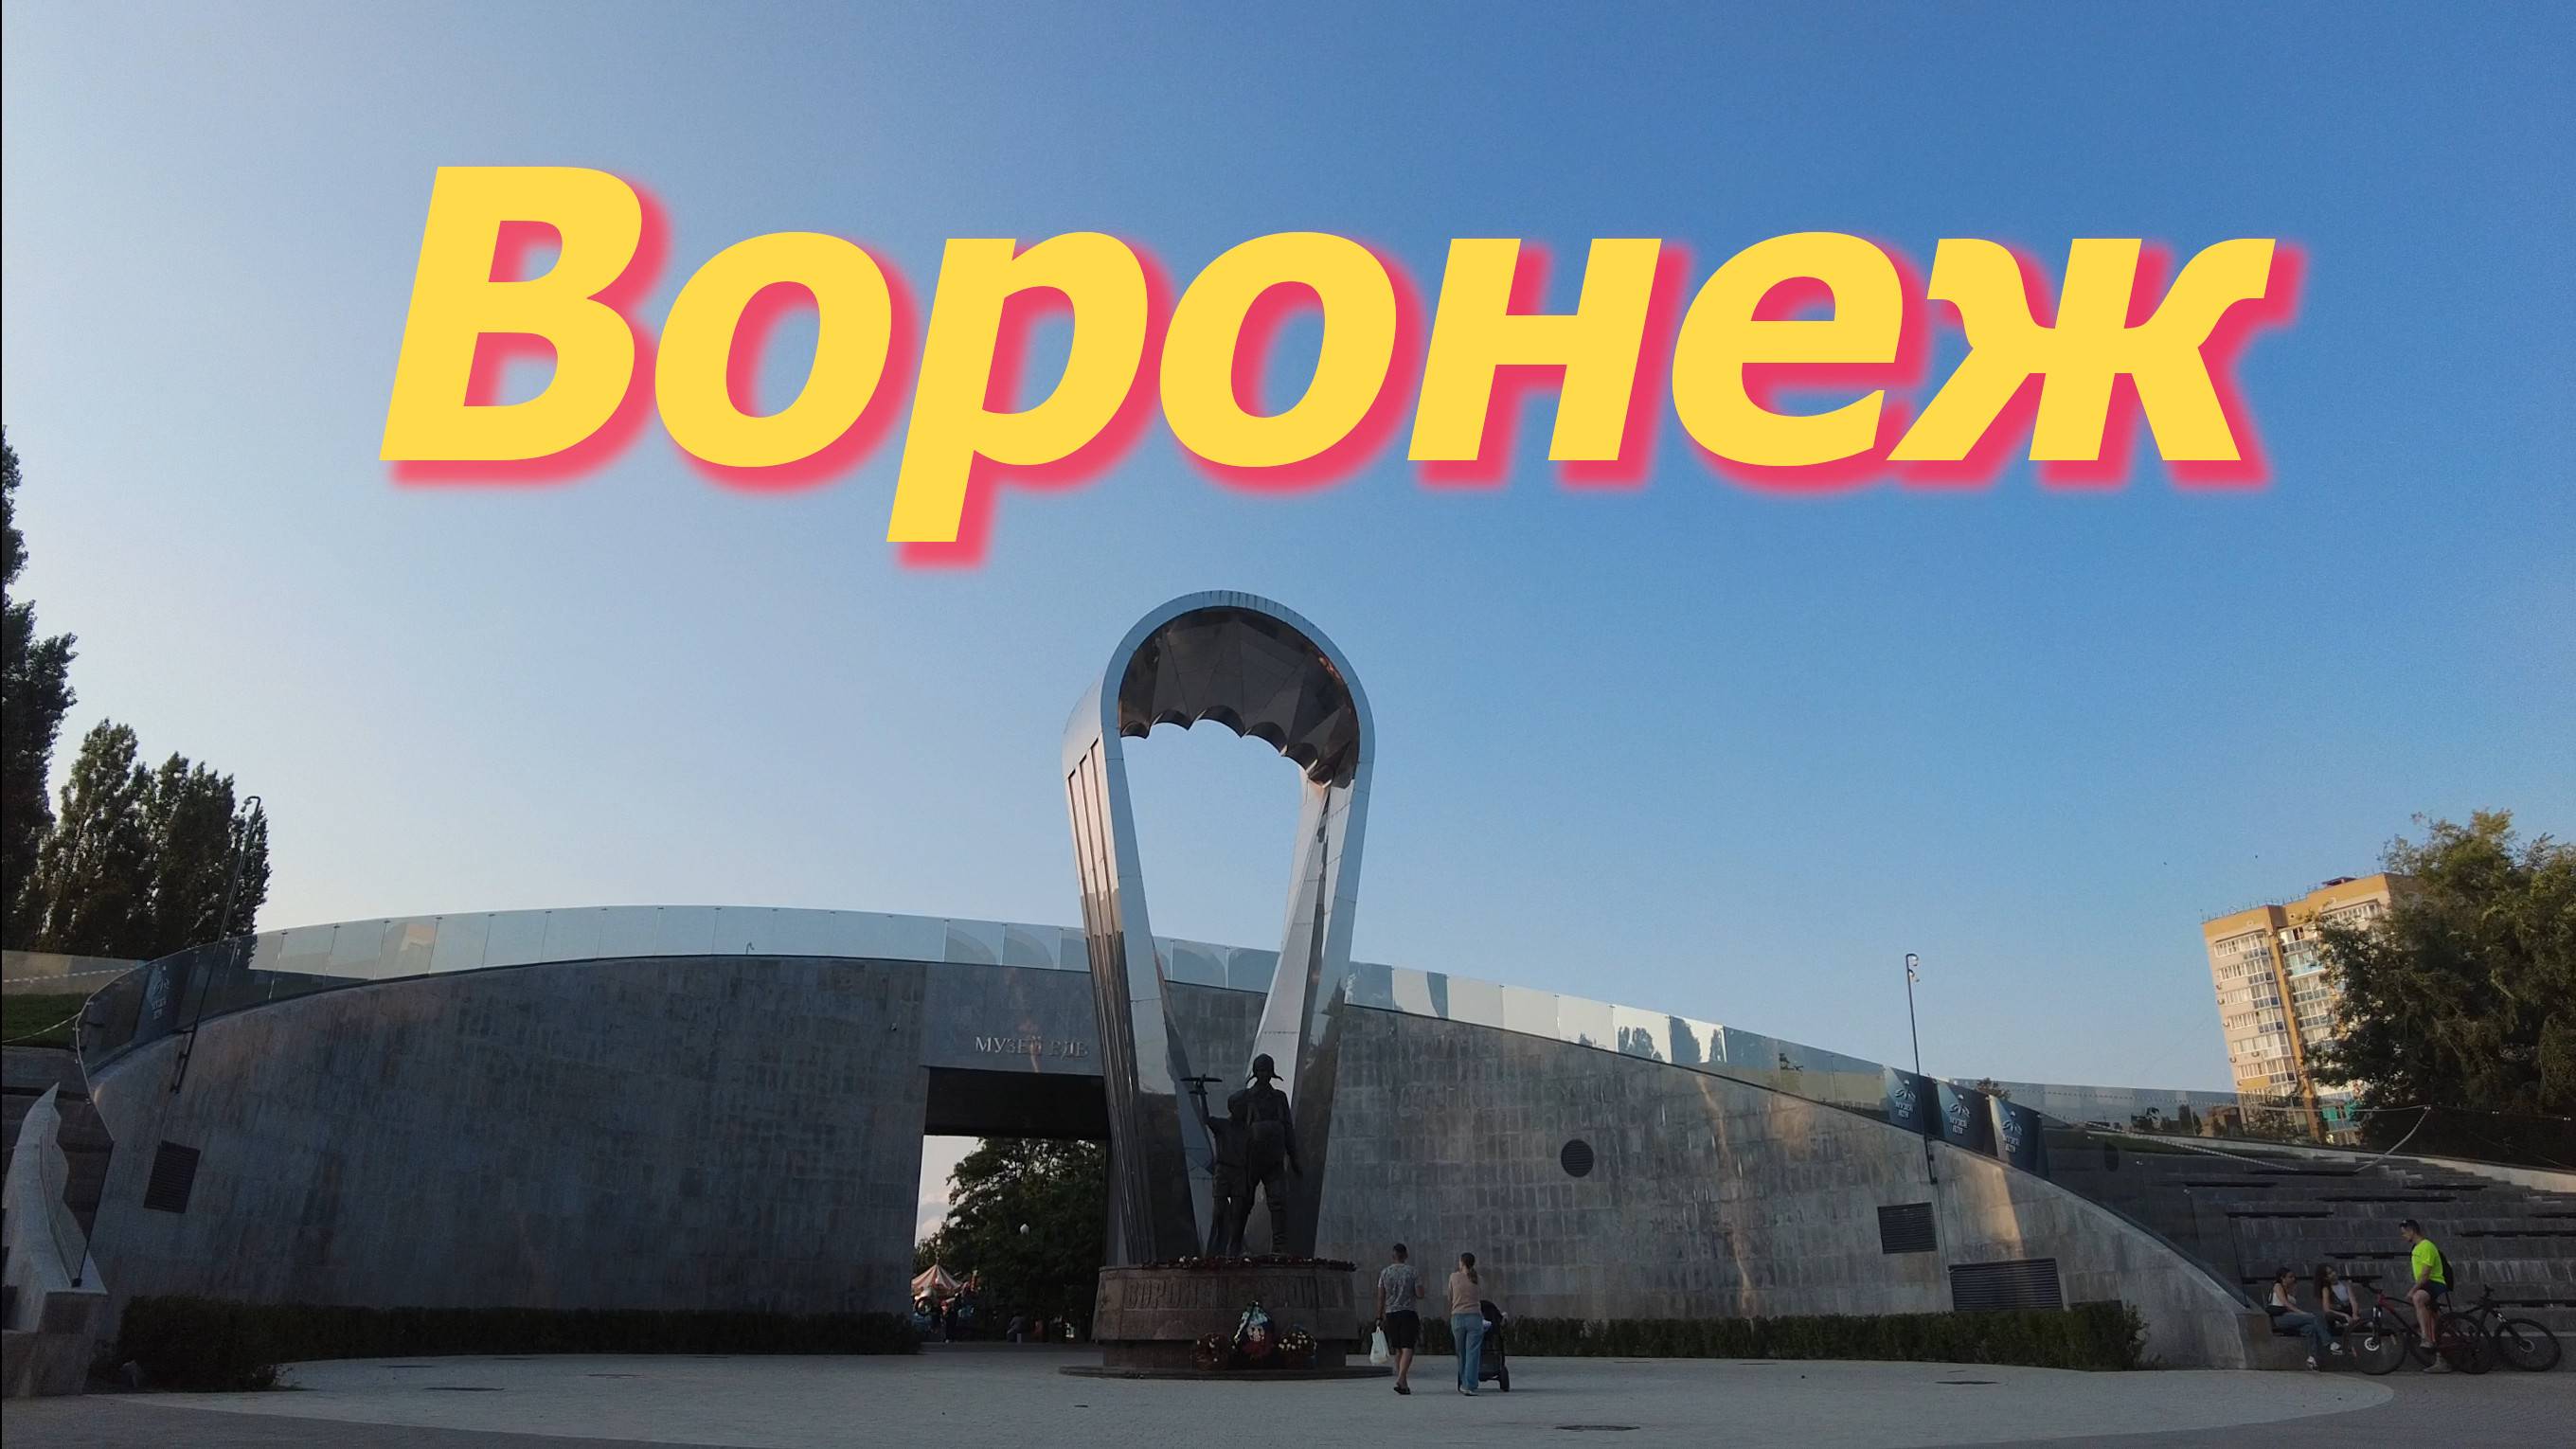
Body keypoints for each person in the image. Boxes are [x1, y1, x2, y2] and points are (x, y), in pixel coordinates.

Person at [1230, 1055, 1301, 1251]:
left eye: (1267, 1071)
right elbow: (1233, 1118)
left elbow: (1288, 1129)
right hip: (1251, 1159)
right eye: (1261, 1071)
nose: (1264, 1075)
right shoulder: (1246, 1097)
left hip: (1274, 1160)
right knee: (1244, 1202)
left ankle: (1279, 1248)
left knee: (1278, 1202)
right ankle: (1234, 1245)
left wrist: (1294, 1158)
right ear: (1255, 1073)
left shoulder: (1279, 1098)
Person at [2399, 1219, 2451, 1368]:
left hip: (2435, 1282)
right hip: (2427, 1284)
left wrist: (2413, 1290)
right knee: (2433, 1318)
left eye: (2404, 1233)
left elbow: (2425, 1274)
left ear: (2412, 1231)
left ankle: (2425, 1336)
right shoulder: (2416, 1248)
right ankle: (2440, 1356)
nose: (2403, 1236)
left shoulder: (2426, 1246)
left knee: (2418, 1298)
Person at [1376, 1242, 1422, 1395]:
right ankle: (1401, 1378)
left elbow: (1381, 1296)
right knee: (1408, 1347)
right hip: (1408, 1312)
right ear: (1406, 1255)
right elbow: (1420, 1294)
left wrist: (1379, 1316)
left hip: (1391, 1313)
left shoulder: (1385, 1273)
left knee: (1398, 1349)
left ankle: (1403, 1383)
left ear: (1393, 1256)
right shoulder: (1412, 1272)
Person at [2266, 1266, 2334, 1368]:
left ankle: (2312, 1358)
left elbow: (2292, 1304)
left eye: (2293, 1277)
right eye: (2290, 1277)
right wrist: (2301, 1313)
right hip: (2281, 1318)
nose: (2293, 1279)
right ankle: (2329, 1342)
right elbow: (2286, 1304)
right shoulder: (2277, 1286)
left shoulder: (2291, 1289)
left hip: (2290, 1317)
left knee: (2311, 1329)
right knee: (2313, 1317)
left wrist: (2293, 1291)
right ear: (2282, 1278)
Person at [1448, 1251, 1487, 1396]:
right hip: (1475, 1317)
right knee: (1473, 1352)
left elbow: (1450, 1296)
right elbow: (1481, 1296)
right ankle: (1469, 1384)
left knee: (1461, 1352)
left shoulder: (1453, 1277)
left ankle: (1463, 1381)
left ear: (1462, 1262)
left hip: (1458, 1316)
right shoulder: (1478, 1279)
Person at [2314, 1264, 2361, 1342]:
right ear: (2326, 1278)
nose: (2333, 1274)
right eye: (2330, 1273)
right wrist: (2344, 1315)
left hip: (2348, 1310)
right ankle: (2343, 1324)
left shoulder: (2345, 1284)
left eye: (2333, 1271)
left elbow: (2353, 1301)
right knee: (2328, 1315)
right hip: (2339, 1314)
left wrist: (2354, 1314)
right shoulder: (2326, 1289)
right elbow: (2326, 1309)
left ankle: (2352, 1323)